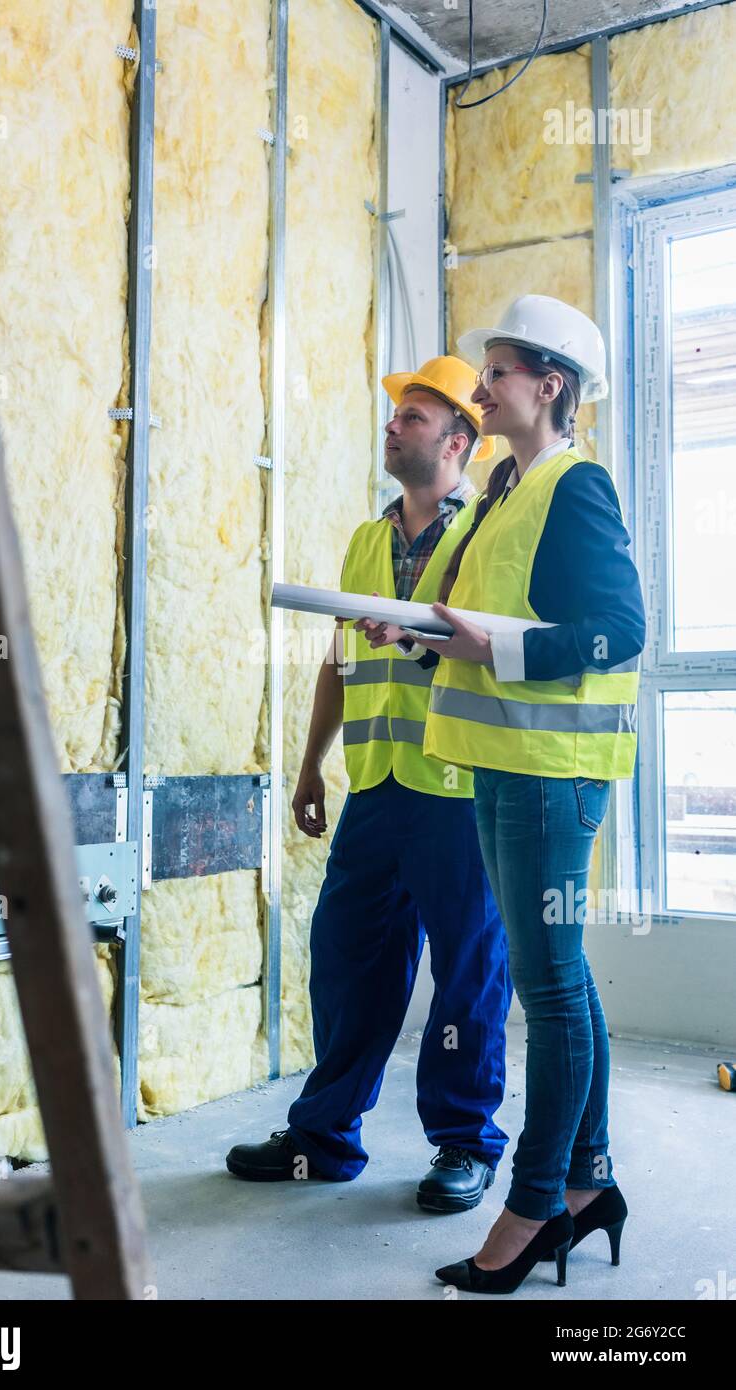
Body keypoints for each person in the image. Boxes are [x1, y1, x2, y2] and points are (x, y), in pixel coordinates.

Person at [363, 296, 645, 1293]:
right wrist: (434, 634)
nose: (478, 393)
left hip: (547, 781)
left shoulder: (576, 488)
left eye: (496, 374)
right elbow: (486, 622)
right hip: (500, 770)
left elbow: (621, 630)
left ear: (549, 386)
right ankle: (588, 1183)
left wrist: (497, 645)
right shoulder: (502, 490)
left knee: (551, 993)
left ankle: (531, 1208)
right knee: (563, 981)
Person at [226, 357, 512, 1210]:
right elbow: (340, 656)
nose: (393, 428)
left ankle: (464, 1143)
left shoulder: (484, 533)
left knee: (466, 971)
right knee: (347, 961)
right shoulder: (366, 538)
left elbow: (495, 651)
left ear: (458, 439)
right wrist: (311, 763)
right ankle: (324, 1137)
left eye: (413, 418)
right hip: (377, 786)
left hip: (458, 788)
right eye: (395, 418)